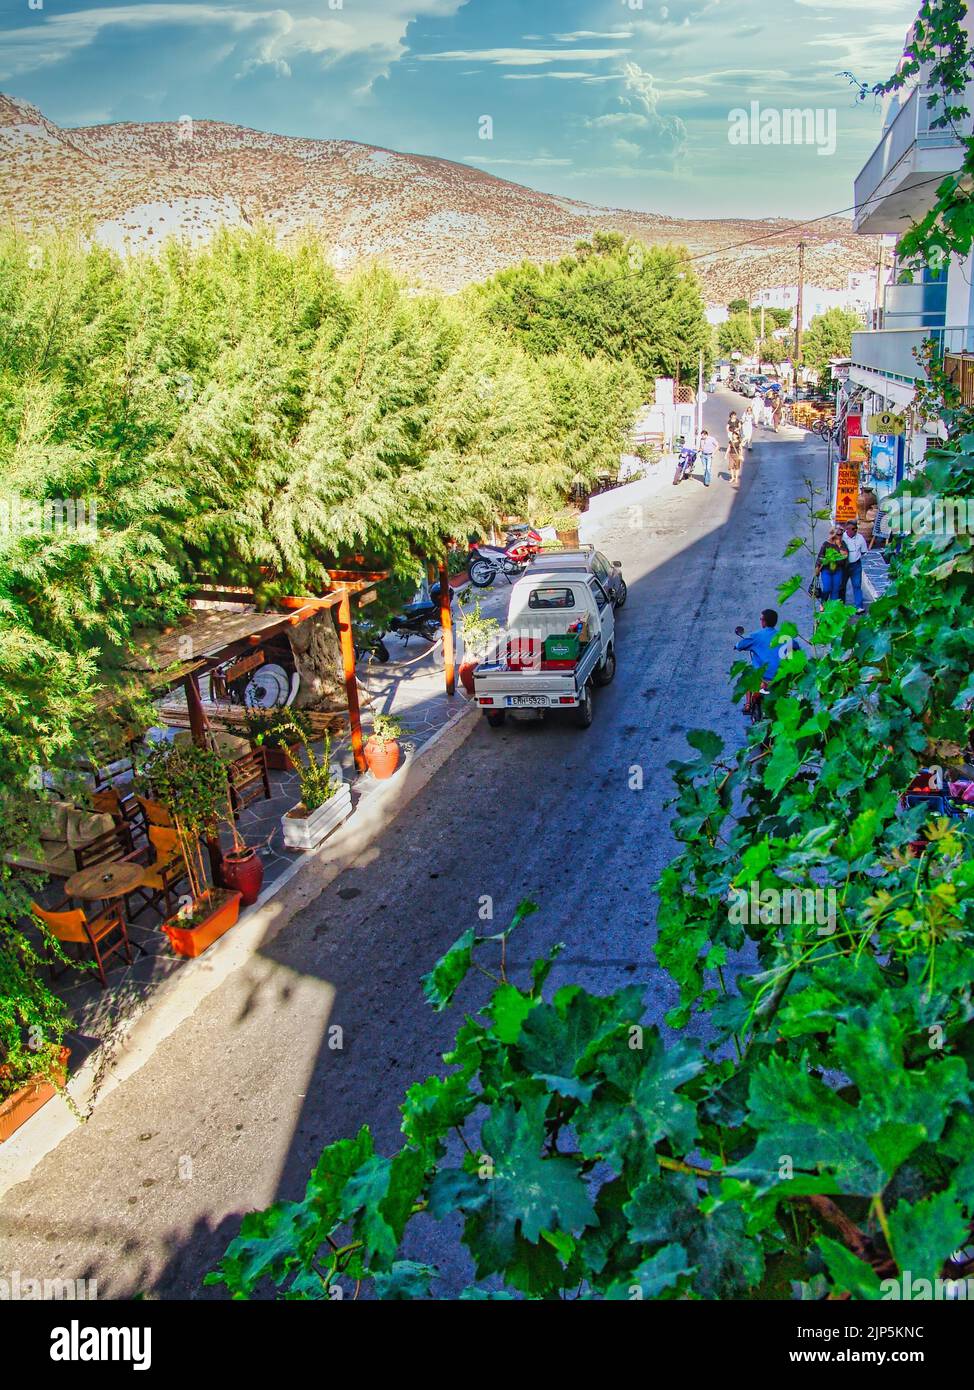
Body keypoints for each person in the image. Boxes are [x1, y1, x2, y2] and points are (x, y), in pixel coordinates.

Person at [734, 608, 783, 714]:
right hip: (782, 675)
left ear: (764, 622)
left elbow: (740, 645)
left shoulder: (756, 636)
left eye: (761, 619)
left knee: (747, 673)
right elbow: (796, 646)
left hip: (763, 677)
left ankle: (748, 704)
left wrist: (737, 646)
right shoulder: (785, 636)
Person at [815, 527, 849, 605]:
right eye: (838, 534)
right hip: (826, 570)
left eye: (841, 534)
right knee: (827, 589)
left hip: (838, 570)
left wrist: (839, 545)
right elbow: (820, 557)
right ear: (833, 534)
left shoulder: (842, 544)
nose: (840, 536)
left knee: (835, 591)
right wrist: (817, 569)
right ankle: (823, 605)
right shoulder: (826, 544)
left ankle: (833, 611)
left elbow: (845, 555)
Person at [842, 518, 868, 614]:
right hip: (844, 566)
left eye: (856, 528)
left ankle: (859, 606)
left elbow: (864, 551)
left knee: (857, 585)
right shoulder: (842, 538)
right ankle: (842, 606)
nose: (855, 530)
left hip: (856, 565)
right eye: (853, 529)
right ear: (848, 529)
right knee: (842, 586)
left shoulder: (860, 538)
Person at [727, 411, 744, 486]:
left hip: (736, 454)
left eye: (735, 415)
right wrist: (729, 432)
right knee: (731, 467)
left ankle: (736, 477)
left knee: (736, 467)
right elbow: (727, 427)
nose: (734, 416)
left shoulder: (737, 421)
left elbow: (740, 448)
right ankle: (732, 477)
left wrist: (737, 430)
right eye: (733, 415)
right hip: (731, 454)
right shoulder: (729, 421)